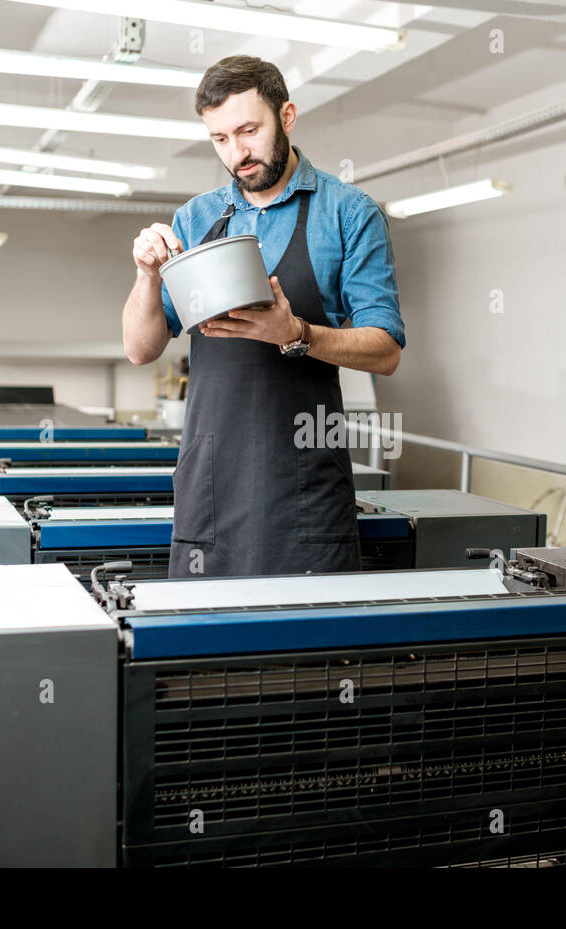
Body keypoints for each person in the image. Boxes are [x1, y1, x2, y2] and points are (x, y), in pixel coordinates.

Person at [122, 55, 404, 579]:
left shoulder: (348, 213)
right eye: (220, 139)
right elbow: (141, 349)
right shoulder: (197, 217)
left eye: (249, 130)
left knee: (302, 652)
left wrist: (296, 333)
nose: (237, 153)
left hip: (305, 491)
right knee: (203, 652)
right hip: (210, 487)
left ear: (287, 116)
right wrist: (146, 274)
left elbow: (386, 350)